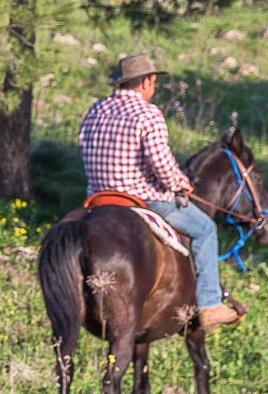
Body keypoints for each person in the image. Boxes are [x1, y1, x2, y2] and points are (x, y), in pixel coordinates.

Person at [78, 53, 241, 331]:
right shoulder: (148, 113)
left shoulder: (96, 109)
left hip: (98, 198)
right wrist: (180, 183)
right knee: (205, 229)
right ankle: (210, 304)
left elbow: (84, 148)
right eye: (153, 82)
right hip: (141, 198)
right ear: (146, 82)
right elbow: (161, 163)